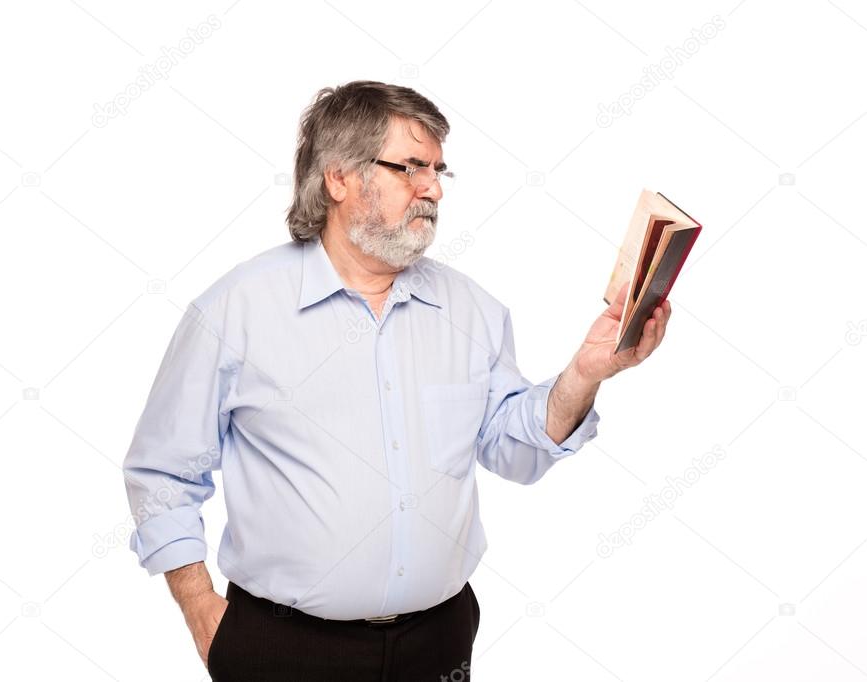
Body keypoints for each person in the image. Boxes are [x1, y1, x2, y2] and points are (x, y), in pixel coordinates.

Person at [122, 80, 671, 680]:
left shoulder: (471, 310)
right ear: (339, 178)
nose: (432, 188)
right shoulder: (235, 312)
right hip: (282, 651)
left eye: (438, 170)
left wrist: (586, 373)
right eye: (410, 167)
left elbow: (512, 449)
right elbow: (163, 472)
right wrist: (203, 613)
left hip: (438, 642)